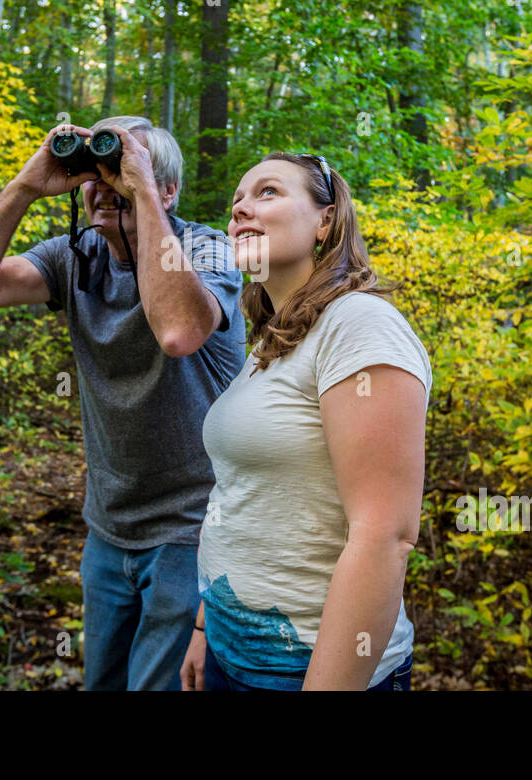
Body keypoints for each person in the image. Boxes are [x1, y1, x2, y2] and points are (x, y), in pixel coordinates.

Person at [0, 116, 246, 690]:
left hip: (192, 529)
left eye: (119, 168)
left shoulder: (207, 248)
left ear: (166, 188)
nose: (104, 183)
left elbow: (178, 331)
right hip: (108, 528)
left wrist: (141, 190)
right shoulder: (74, 256)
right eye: (94, 171)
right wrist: (25, 185)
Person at [179, 152, 431, 691]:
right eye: (237, 201)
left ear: (326, 221)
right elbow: (239, 495)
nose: (241, 208)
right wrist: (204, 626)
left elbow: (385, 536)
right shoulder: (273, 339)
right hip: (230, 653)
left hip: (310, 669)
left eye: (267, 192)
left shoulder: (359, 325)